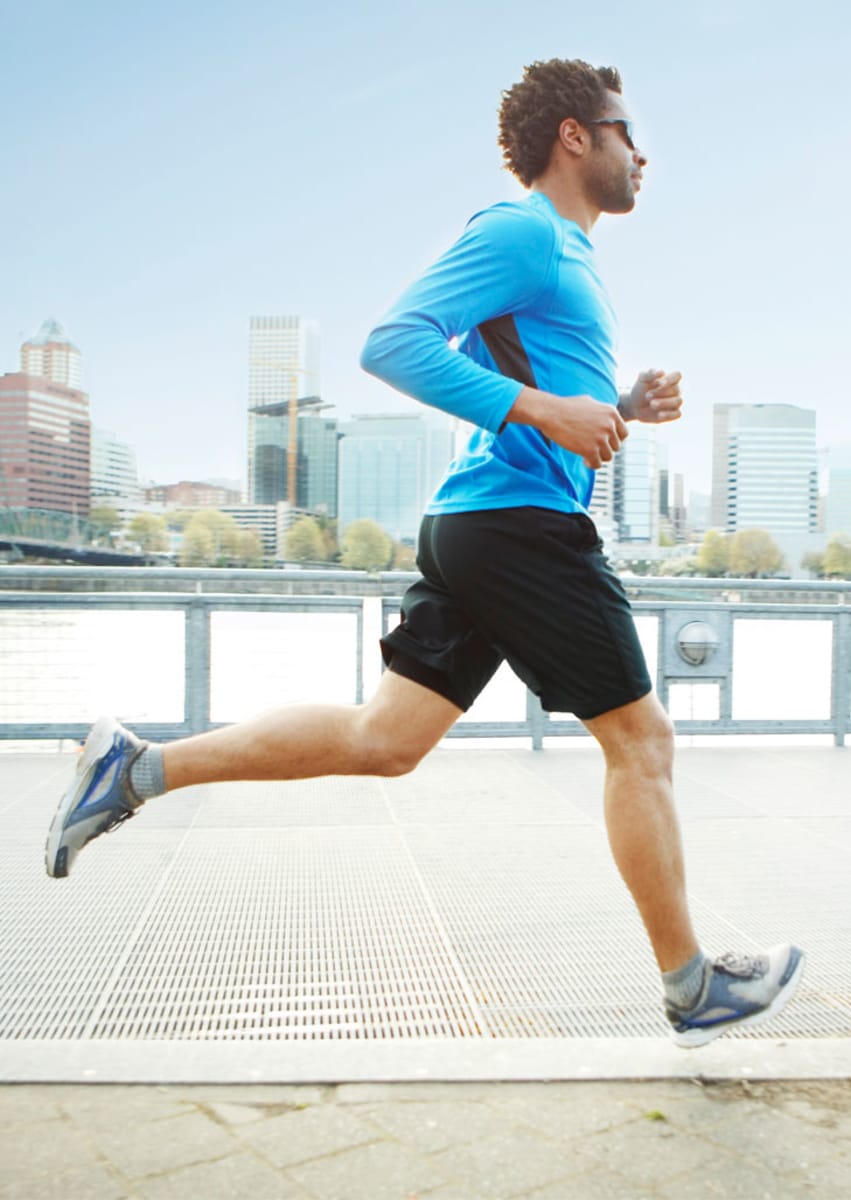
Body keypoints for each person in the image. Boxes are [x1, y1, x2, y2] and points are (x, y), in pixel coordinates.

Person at [44, 59, 804, 1047]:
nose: (639, 150)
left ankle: (136, 769)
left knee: (383, 741)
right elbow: (393, 342)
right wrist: (543, 408)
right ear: (574, 136)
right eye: (623, 130)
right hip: (520, 524)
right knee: (643, 743)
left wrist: (615, 411)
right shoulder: (523, 230)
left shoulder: (570, 256)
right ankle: (692, 986)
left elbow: (542, 406)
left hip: (489, 522)